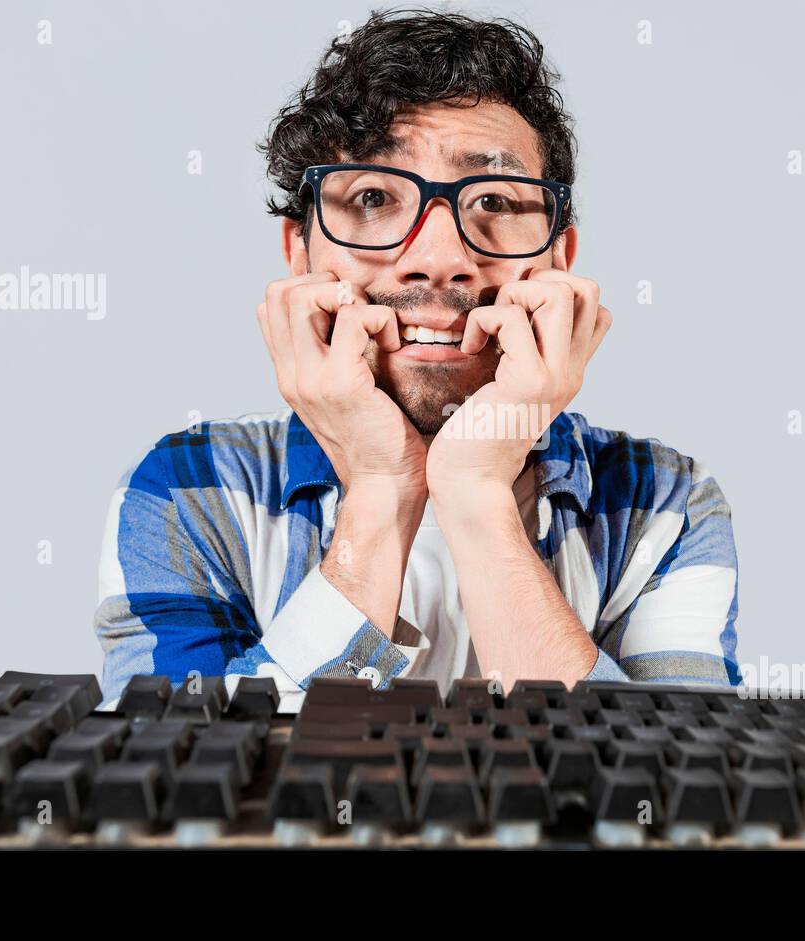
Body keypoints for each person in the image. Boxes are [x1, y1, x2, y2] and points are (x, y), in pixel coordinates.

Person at [93, 8, 740, 702]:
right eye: (373, 196)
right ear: (299, 256)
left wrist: (477, 492)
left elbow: (663, 798)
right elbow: (176, 783)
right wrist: (381, 490)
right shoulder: (188, 492)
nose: (438, 260)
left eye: (493, 198)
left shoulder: (666, 506)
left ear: (559, 261)